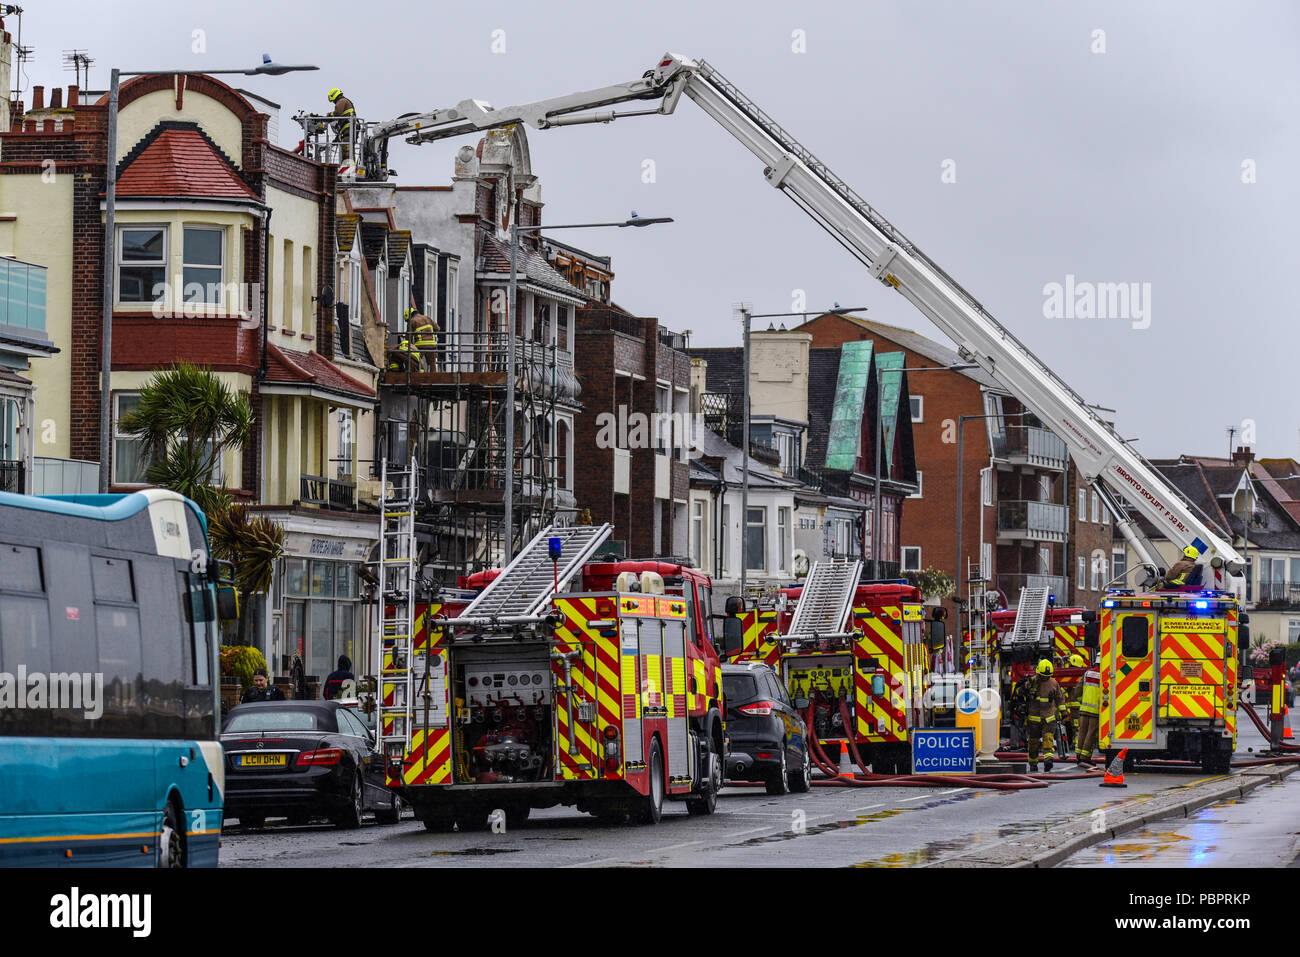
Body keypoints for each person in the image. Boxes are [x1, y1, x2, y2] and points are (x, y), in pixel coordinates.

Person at [1023, 658, 1065, 772]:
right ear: (1038, 673)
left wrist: (1064, 713)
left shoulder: (1054, 683)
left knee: (1048, 738)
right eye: (1042, 676)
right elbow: (1023, 697)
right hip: (1034, 718)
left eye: (1047, 676)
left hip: (1049, 717)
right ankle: (1033, 763)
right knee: (1033, 742)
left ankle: (1048, 761)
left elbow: (1060, 699)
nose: (1045, 678)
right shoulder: (1031, 682)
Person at [1074, 657, 1104, 767]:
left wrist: (1080, 701)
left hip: (1084, 709)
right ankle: (1085, 758)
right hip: (1095, 710)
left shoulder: (1087, 673)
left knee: (1082, 731)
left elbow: (1078, 690)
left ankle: (1078, 755)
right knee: (1091, 733)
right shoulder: (1104, 674)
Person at [327, 88, 357, 162]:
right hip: (348, 130)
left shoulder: (341, 101)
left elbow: (338, 113)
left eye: (333, 101)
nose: (333, 102)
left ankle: (349, 166)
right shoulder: (344, 101)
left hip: (348, 130)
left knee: (347, 149)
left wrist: (329, 115)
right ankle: (348, 164)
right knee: (347, 148)